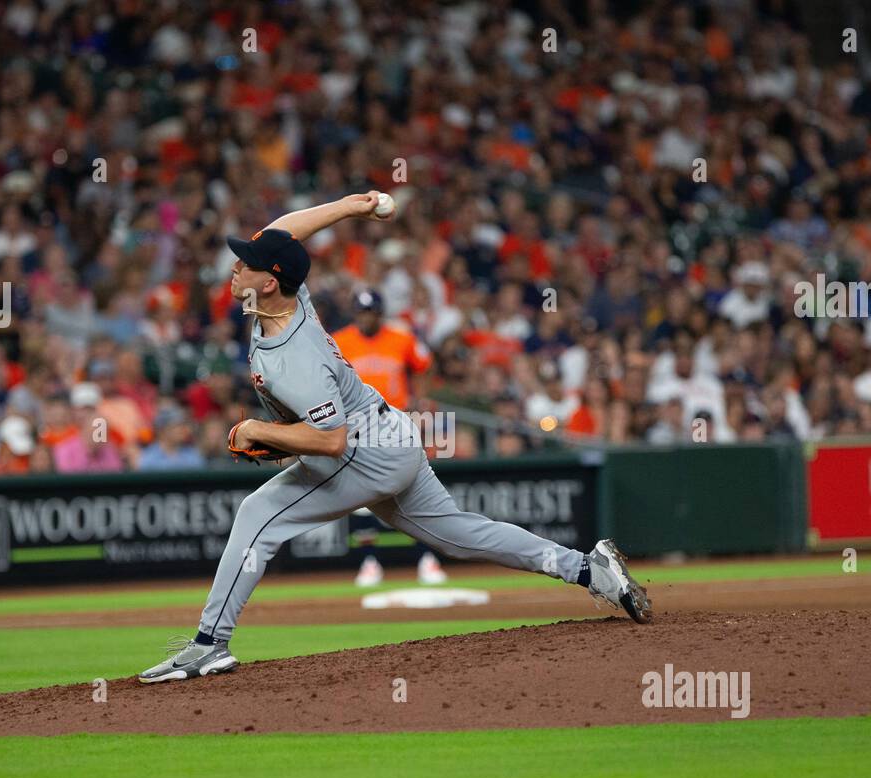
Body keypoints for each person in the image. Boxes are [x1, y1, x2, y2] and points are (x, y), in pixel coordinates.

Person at [139, 193, 651, 684]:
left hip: (365, 450)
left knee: (257, 515)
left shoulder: (293, 358)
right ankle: (591, 570)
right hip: (391, 436)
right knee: (462, 534)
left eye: (244, 264)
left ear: (269, 282)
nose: (234, 267)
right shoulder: (289, 299)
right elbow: (283, 234)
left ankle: (210, 643)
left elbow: (331, 440)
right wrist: (349, 207)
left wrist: (256, 430)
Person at [332, 288, 444, 587]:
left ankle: (426, 557)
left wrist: (421, 398)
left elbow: (424, 366)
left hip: (397, 422)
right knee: (360, 498)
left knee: (412, 492)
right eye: (360, 312)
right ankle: (369, 561)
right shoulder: (340, 341)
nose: (365, 317)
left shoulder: (401, 337)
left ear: (380, 313)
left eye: (370, 312)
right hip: (358, 426)